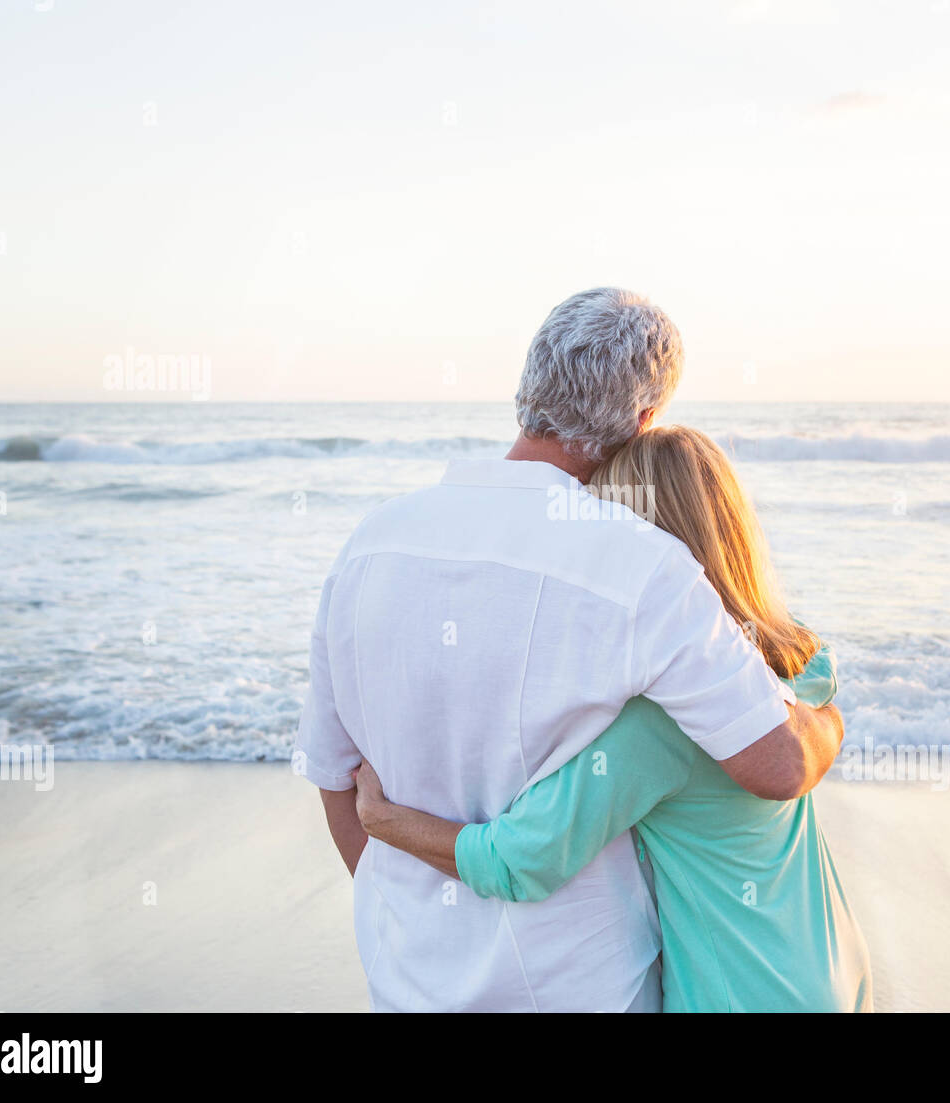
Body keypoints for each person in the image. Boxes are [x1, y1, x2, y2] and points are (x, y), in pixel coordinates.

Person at [294, 288, 844, 1011]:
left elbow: (335, 776)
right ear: (646, 419)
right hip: (580, 988)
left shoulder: (370, 544)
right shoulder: (645, 566)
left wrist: (412, 918)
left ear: (528, 387)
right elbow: (778, 762)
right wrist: (825, 701)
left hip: (404, 979)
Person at [353, 426, 872, 1012]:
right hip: (832, 970)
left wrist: (382, 818)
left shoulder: (664, 724)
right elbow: (819, 697)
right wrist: (830, 723)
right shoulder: (791, 659)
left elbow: (518, 860)